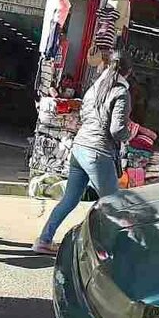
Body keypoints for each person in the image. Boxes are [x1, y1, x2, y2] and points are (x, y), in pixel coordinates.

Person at [32, 52, 133, 256]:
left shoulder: (95, 87)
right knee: (112, 204)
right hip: (98, 152)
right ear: (128, 72)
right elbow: (116, 129)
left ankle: (44, 240)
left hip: (79, 148)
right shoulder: (120, 92)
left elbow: (85, 115)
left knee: (69, 200)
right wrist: (128, 134)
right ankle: (104, 250)